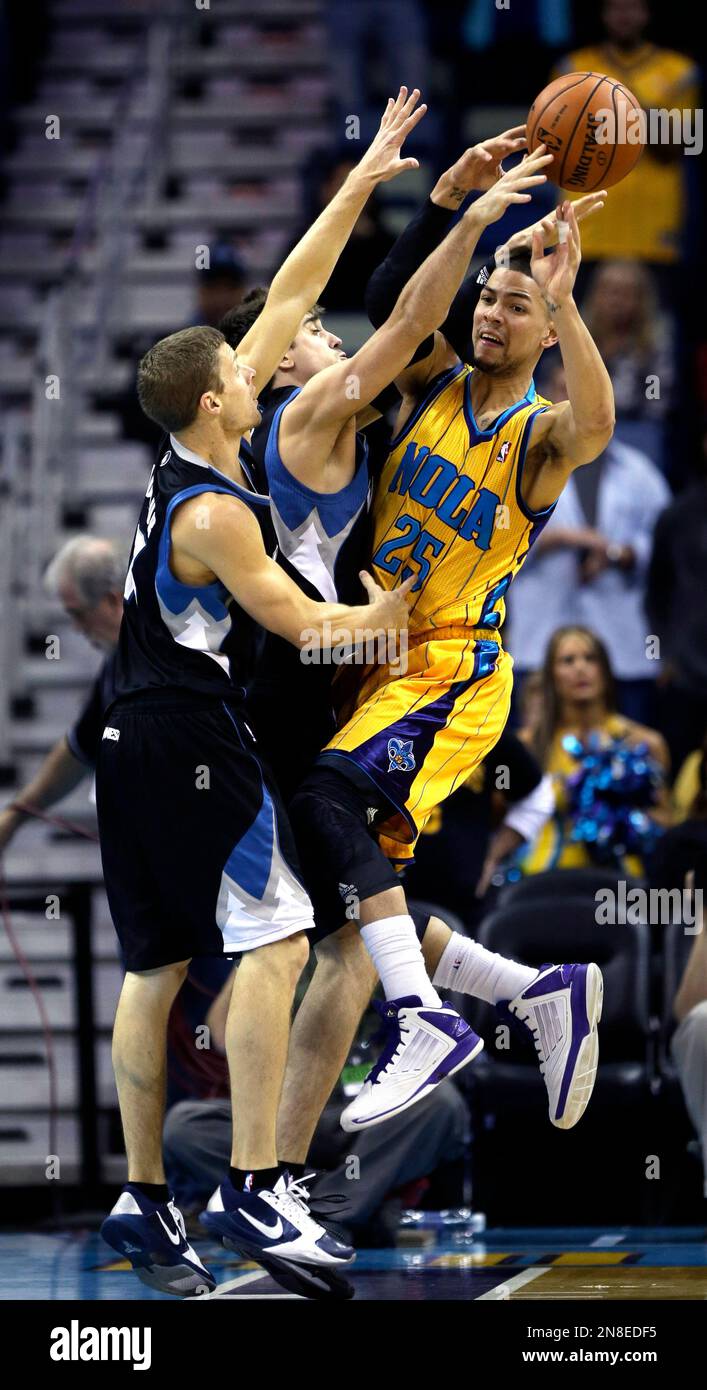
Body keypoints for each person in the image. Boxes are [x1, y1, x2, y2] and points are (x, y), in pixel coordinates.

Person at [96, 89, 424, 1301]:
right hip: (192, 732)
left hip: (122, 736)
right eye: (238, 370)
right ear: (217, 404)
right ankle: (247, 1184)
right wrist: (379, 620)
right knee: (279, 937)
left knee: (154, 971)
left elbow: (294, 278)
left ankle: (139, 1195)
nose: (255, 361)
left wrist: (364, 178)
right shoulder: (223, 506)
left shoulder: (183, 460)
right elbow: (295, 623)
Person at [251, 151, 611, 1144]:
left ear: (543, 330)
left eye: (512, 305)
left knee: (326, 797)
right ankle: (536, 991)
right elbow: (390, 298)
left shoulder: (535, 434)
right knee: (354, 896)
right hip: (376, 667)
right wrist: (451, 208)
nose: (489, 313)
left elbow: (595, 424)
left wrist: (566, 300)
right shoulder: (431, 383)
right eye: (486, 298)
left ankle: (424, 1023)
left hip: (453, 669)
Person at [505, 359, 671, 726]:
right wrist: (562, 538)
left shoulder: (637, 472)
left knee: (630, 756)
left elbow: (663, 546)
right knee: (538, 758)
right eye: (566, 389)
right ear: (546, 396)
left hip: (621, 644)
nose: (576, 401)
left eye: (585, 391)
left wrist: (618, 553)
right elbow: (491, 545)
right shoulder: (518, 465)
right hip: (539, 643)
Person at [0, 536, 125, 852]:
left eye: (79, 613)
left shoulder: (174, 660)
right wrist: (15, 815)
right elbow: (77, 750)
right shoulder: (115, 669)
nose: (78, 628)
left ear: (113, 600)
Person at [553, 0, 700, 269]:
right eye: (616, 7)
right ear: (603, 13)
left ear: (647, 13)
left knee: (658, 312)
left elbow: (684, 146)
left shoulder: (681, 71)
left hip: (654, 225)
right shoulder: (571, 68)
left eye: (633, 7)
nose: (624, 16)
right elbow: (556, 147)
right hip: (586, 224)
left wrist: (618, 104)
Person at [518, 625, 670, 875]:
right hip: (543, 884)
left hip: (622, 887)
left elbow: (665, 820)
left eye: (590, 658)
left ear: (605, 670)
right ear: (551, 675)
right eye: (568, 661)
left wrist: (622, 813)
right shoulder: (529, 745)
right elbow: (499, 818)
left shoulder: (645, 742)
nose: (580, 668)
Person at [646, 425, 707, 779]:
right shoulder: (678, 514)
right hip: (688, 671)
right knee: (678, 771)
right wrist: (665, 656)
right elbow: (656, 591)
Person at [580, 259, 674, 468]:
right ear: (595, 294)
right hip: (582, 427)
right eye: (610, 291)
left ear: (641, 301)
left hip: (634, 429)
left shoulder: (652, 346)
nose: (616, 301)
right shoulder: (578, 337)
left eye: (625, 293)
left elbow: (656, 397)